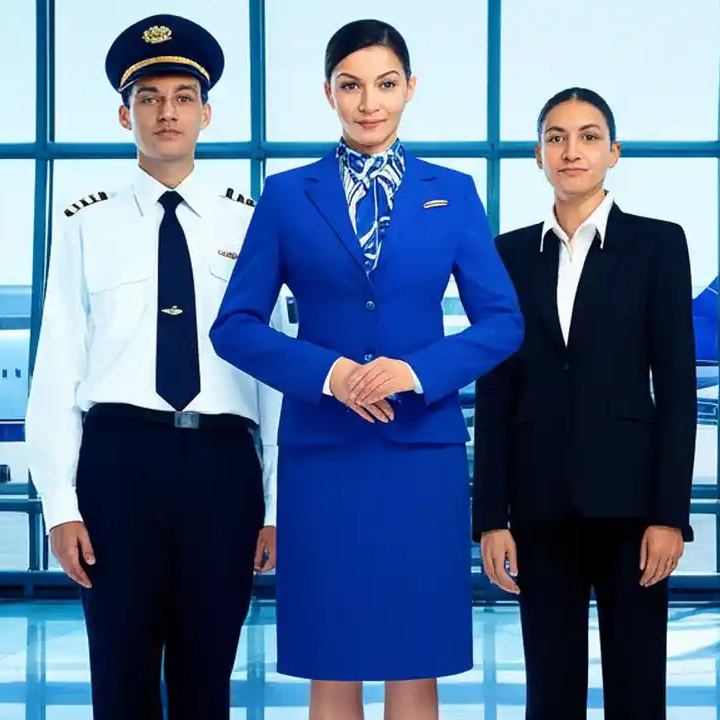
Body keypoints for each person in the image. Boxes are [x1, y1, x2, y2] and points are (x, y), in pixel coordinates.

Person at [210, 19, 523, 720]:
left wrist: (412, 372)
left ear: (410, 89)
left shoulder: (455, 192)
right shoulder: (289, 196)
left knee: (417, 657)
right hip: (326, 456)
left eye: (385, 85)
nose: (368, 102)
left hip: (421, 454)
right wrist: (332, 375)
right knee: (333, 656)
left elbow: (504, 322)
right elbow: (234, 327)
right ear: (329, 93)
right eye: (351, 86)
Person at [24, 14, 285, 719]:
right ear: (124, 112)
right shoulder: (85, 222)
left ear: (206, 111)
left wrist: (276, 502)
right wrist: (60, 505)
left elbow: (272, 378)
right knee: (121, 676)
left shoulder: (251, 222)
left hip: (223, 469)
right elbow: (57, 365)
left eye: (181, 96)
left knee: (208, 681)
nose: (165, 111)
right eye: (149, 97)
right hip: (117, 465)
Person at [471, 87, 697, 719]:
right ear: (538, 154)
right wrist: (491, 517)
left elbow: (677, 387)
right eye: (556, 137)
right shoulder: (508, 253)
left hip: (633, 511)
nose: (572, 150)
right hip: (539, 509)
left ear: (614, 152)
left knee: (637, 688)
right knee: (550, 690)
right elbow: (495, 389)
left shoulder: (658, 245)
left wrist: (669, 516)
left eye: (589, 136)